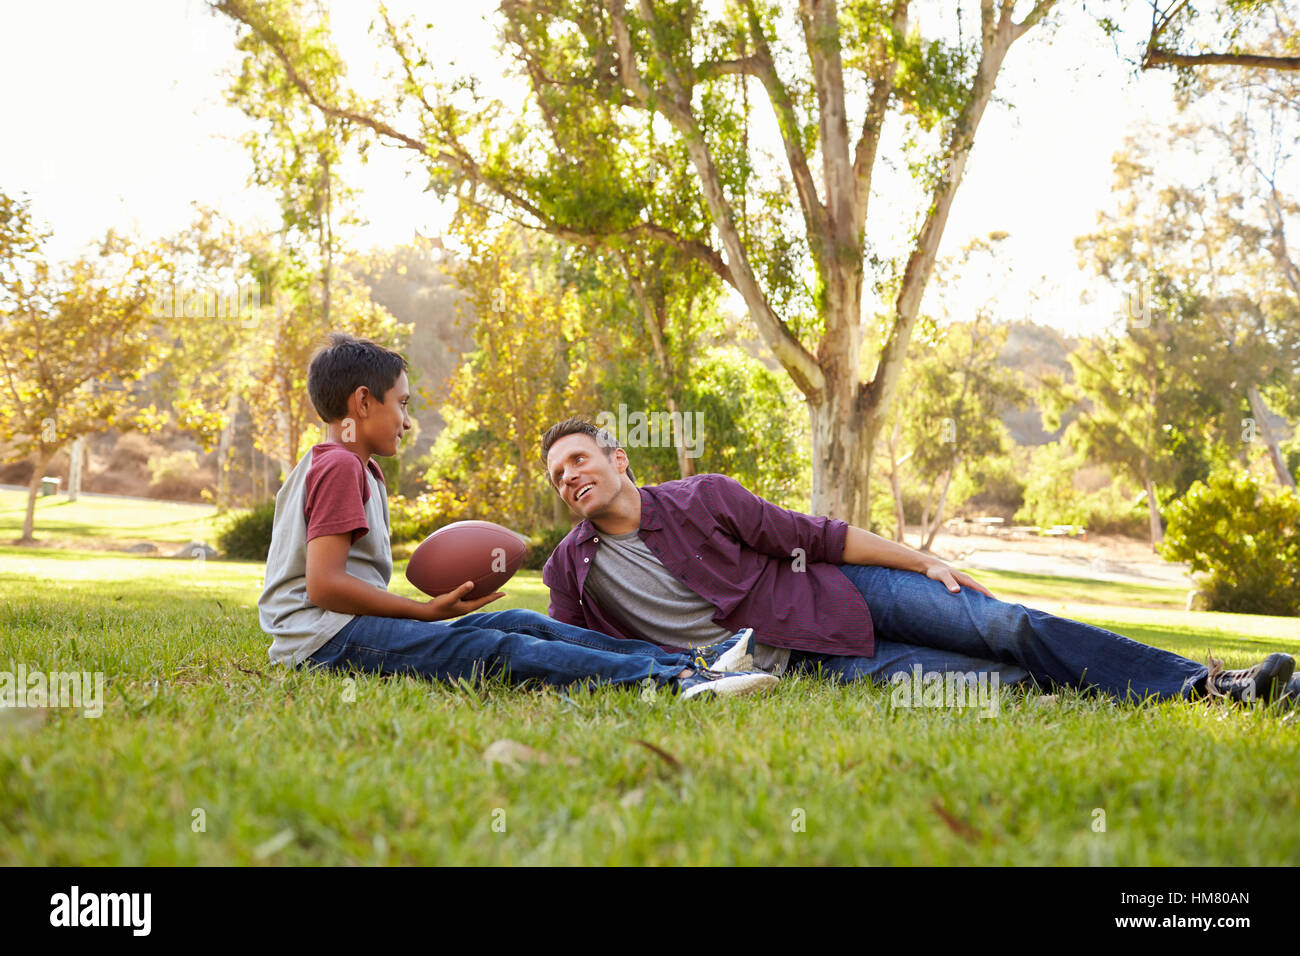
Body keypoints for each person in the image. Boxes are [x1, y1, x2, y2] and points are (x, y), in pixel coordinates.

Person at [539, 417, 1298, 706]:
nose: (571, 476)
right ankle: (1158, 686)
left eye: (579, 458)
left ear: (617, 458)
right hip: (800, 664)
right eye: (557, 477)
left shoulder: (702, 496)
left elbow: (820, 535)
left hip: (844, 593)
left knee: (1007, 626)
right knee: (995, 685)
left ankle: (1214, 685)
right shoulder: (569, 571)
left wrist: (920, 559)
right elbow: (579, 652)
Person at [257, 333, 776, 701]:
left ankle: (691, 663)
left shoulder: (354, 467)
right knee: (495, 647)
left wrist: (421, 611)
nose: (408, 421)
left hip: (344, 630)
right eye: (403, 404)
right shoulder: (340, 467)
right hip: (323, 642)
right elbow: (324, 586)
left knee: (522, 621)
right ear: (363, 403)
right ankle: (673, 683)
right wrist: (421, 612)